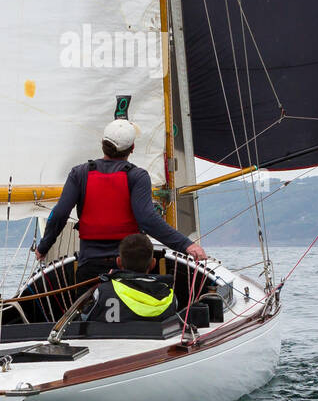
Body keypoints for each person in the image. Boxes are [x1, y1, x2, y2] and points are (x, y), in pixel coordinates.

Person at [35, 119, 206, 283]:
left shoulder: (79, 173)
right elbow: (147, 220)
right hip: (129, 267)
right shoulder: (137, 176)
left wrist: (43, 247)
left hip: (90, 267)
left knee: (89, 311)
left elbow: (59, 214)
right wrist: (186, 245)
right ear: (132, 148)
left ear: (103, 143)